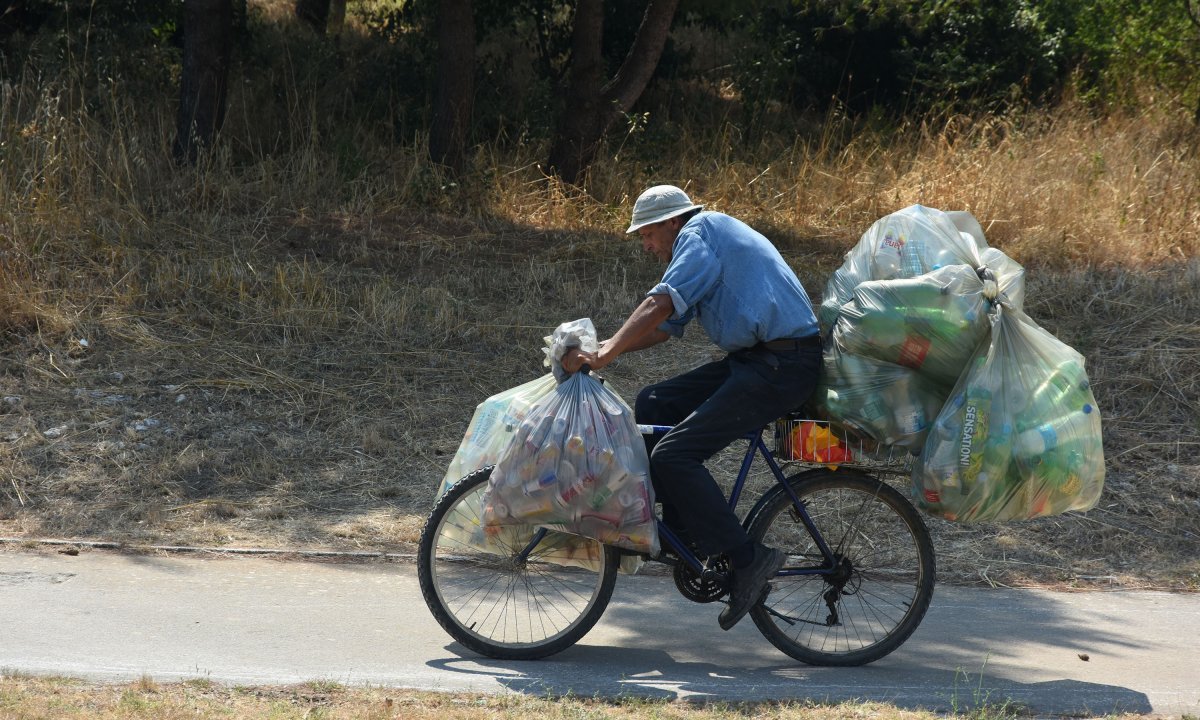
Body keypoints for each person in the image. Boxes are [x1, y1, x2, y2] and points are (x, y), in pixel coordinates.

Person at [562, 184, 822, 631]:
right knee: (655, 402)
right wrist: (605, 347)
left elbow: (658, 303)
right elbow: (664, 327)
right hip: (759, 360)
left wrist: (605, 356)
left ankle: (749, 559)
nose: (645, 245)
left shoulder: (699, 235)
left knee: (674, 454)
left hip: (784, 364)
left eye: (646, 234)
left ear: (670, 221)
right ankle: (685, 537)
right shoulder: (697, 246)